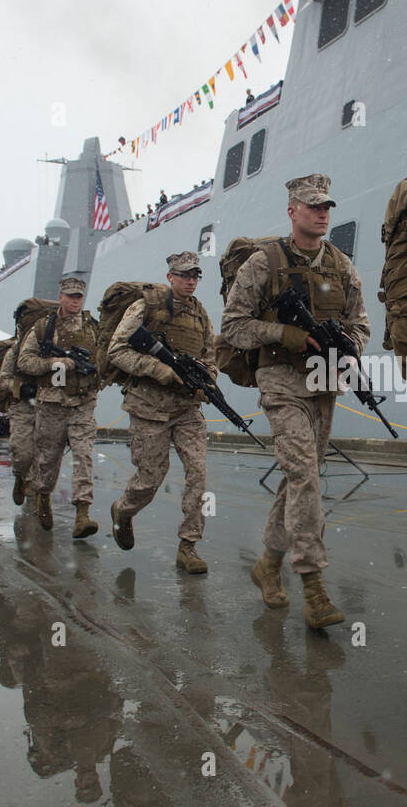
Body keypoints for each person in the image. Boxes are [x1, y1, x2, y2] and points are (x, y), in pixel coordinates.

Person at [221, 174, 371, 629]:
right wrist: (289, 335)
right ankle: (313, 583)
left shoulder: (342, 265)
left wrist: (346, 346)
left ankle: (268, 563)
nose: (322, 212)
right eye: (312, 206)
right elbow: (233, 325)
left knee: (296, 479)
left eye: (326, 205)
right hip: (281, 380)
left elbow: (361, 323)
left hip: (324, 383)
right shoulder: (263, 263)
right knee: (304, 472)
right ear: (292, 211)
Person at [107, 251, 216, 573]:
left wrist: (205, 380)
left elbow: (210, 356)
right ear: (170, 277)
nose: (190, 281)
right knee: (150, 479)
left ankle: (188, 545)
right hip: (149, 407)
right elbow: (117, 350)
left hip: (186, 410)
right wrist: (161, 370)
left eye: (195, 275)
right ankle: (123, 510)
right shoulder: (146, 306)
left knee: (199, 474)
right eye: (184, 275)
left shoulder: (200, 315)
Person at [17, 274, 101, 537]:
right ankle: (43, 495)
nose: (75, 300)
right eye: (70, 296)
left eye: (79, 296)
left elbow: (104, 359)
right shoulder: (44, 328)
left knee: (83, 455)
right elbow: (25, 361)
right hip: (52, 404)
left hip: (83, 403)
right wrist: (55, 363)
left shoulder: (92, 328)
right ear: (61, 297)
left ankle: (83, 512)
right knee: (48, 461)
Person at [0, 329, 38, 507]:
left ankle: (36, 488)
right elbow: (3, 379)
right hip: (21, 406)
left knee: (44, 452)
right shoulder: (14, 352)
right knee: (22, 451)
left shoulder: (50, 346)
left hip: (46, 405)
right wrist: (20, 388)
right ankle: (21, 476)